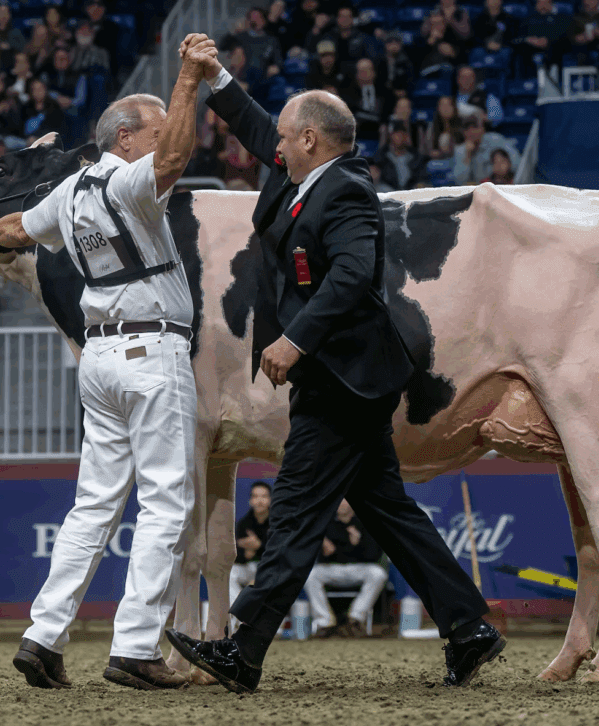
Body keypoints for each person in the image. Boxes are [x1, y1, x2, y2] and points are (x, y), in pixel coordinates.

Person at [166, 33, 503, 694]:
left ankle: (244, 649)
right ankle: (469, 626)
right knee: (386, 511)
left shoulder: (346, 191)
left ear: (313, 142)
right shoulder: (306, 175)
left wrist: (296, 341)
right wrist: (214, 78)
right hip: (346, 374)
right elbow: (262, 128)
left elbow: (352, 277)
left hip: (346, 377)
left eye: (288, 139)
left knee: (292, 510)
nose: (275, 147)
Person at [0, 34, 219, 692]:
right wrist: (188, 78)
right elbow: (179, 157)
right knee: (165, 502)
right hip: (151, 350)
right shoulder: (132, 180)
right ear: (125, 137)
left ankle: (43, 636)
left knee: (92, 505)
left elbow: (20, 229)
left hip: (98, 358)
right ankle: (134, 647)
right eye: (155, 127)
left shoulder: (71, 192)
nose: (166, 137)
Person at [304, 499, 387, 638]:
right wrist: (325, 550)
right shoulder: (324, 522)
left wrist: (357, 544)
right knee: (310, 574)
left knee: (378, 573)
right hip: (332, 569)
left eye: (346, 500)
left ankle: (355, 619)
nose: (342, 504)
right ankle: (324, 622)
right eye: (339, 500)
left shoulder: (366, 521)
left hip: (358, 569)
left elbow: (374, 556)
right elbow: (317, 557)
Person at [230, 482, 272, 617]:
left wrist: (259, 546)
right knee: (230, 573)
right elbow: (236, 552)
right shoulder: (244, 524)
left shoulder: (277, 522)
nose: (260, 501)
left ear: (271, 500)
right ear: (250, 500)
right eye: (256, 496)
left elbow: (280, 550)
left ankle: (263, 620)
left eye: (264, 496)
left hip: (269, 569)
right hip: (249, 566)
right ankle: (241, 613)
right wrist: (246, 554)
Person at [452, 111, 520, 185]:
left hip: (500, 185)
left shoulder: (495, 140)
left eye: (475, 127)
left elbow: (517, 161)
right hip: (477, 190)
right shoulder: (460, 150)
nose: (471, 131)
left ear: (482, 129)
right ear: (463, 132)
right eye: (467, 128)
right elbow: (459, 181)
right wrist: (467, 157)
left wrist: (503, 169)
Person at [224, 7, 284, 76]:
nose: (256, 21)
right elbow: (223, 47)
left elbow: (279, 61)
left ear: (264, 20)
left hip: (264, 77)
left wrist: (276, 67)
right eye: (253, 18)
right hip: (243, 76)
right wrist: (234, 31)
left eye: (259, 18)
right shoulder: (240, 37)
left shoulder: (271, 40)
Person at [341, 58, 388, 143]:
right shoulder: (350, 93)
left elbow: (386, 114)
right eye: (362, 71)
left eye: (368, 70)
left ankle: (382, 154)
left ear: (374, 73)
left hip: (379, 128)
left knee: (385, 128)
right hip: (358, 129)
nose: (365, 74)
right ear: (357, 75)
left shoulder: (383, 92)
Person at [373, 120, 429, 191]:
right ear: (391, 136)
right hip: (389, 190)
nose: (400, 137)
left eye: (402, 134)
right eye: (397, 134)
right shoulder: (382, 156)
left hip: (410, 192)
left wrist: (419, 185)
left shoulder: (415, 156)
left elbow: (421, 177)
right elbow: (375, 174)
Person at [22, 78, 65, 143]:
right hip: (26, 141)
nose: (38, 92)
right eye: (35, 90)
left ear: (45, 90)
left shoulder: (54, 107)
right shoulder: (26, 107)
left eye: (40, 89)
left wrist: (37, 138)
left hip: (46, 142)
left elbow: (55, 130)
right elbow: (20, 127)